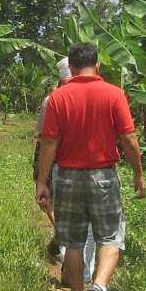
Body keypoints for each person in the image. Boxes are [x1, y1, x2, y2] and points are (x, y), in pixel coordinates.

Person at [35, 42, 146, 291]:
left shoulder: (58, 97)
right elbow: (129, 139)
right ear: (97, 66)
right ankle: (100, 284)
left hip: (68, 177)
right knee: (111, 236)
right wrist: (138, 173)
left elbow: (49, 142)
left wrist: (42, 182)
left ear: (70, 69)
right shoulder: (114, 94)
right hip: (104, 177)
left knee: (72, 242)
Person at [35, 57, 96, 279]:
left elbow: (46, 139)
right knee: (87, 220)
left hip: (61, 164)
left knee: (60, 211)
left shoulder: (53, 99)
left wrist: (42, 179)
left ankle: (68, 261)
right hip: (95, 167)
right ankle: (84, 271)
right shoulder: (101, 95)